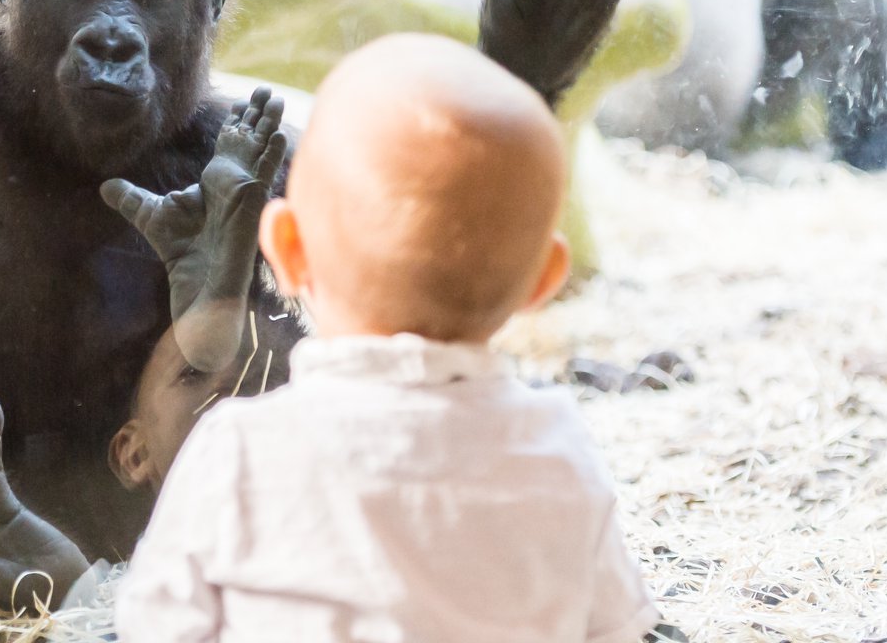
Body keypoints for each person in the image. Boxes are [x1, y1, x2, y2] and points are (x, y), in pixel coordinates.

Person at [115, 33, 669, 643]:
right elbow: (616, 629)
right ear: (542, 284)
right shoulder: (561, 452)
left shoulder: (235, 452)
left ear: (289, 251)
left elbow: (157, 628)